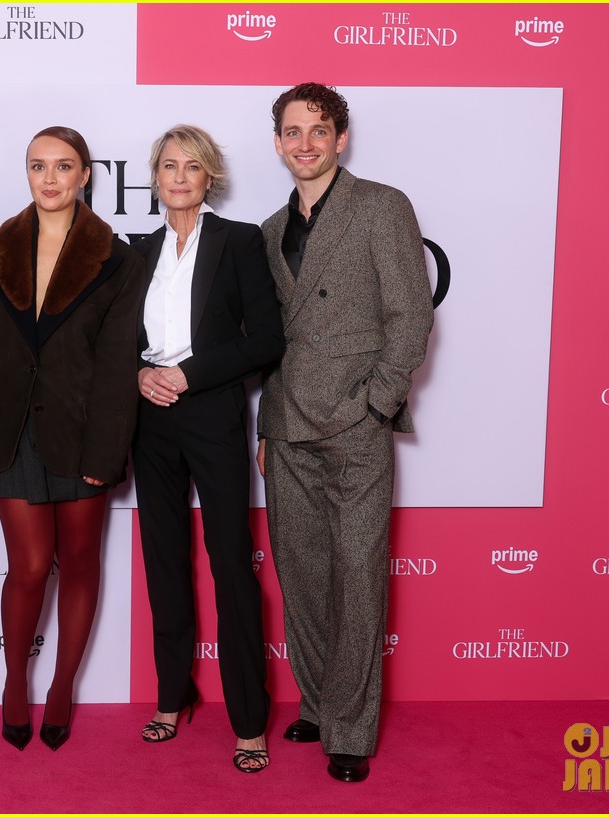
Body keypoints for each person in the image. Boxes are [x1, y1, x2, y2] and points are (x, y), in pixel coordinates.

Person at [256, 83, 434, 783]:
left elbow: (411, 316)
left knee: (356, 575)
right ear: (277, 143)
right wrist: (267, 422)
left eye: (318, 130)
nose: (305, 143)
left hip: (356, 422)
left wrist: (377, 404)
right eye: (292, 132)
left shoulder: (382, 207)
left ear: (341, 138)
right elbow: (271, 339)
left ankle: (351, 727)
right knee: (301, 573)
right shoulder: (269, 231)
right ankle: (319, 700)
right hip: (288, 423)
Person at [0, 126, 144, 752]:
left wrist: (107, 449)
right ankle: (15, 679)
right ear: (27, 173)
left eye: (63, 166)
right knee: (31, 566)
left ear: (84, 175)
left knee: (80, 565)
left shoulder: (118, 259)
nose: (50, 178)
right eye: (38, 166)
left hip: (83, 434)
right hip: (9, 433)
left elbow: (119, 360)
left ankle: (63, 684)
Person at [131, 125, 284, 773]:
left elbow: (266, 339)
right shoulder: (138, 250)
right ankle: (172, 695)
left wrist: (190, 374)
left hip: (213, 413)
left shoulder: (240, 241)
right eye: (169, 165)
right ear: (156, 177)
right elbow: (114, 342)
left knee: (230, 566)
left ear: (209, 176)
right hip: (150, 419)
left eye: (192, 166)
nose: (180, 176)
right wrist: (138, 375)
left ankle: (249, 720)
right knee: (164, 563)